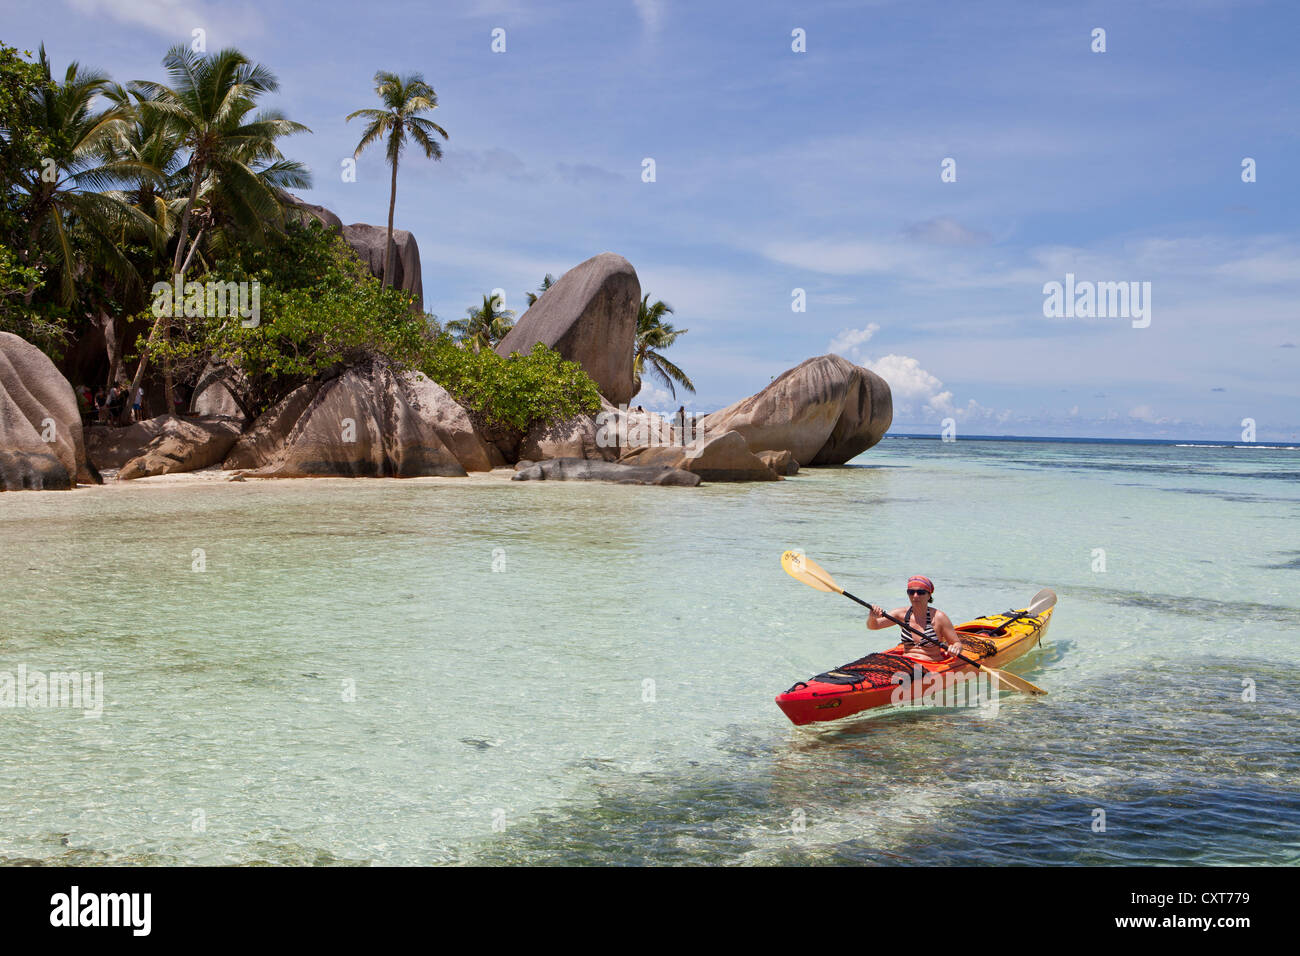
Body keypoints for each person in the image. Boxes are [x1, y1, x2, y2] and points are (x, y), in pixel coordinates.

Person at [866, 575, 963, 662]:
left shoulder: (939, 617)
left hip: (931, 664)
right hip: (906, 664)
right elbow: (874, 626)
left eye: (920, 592)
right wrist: (872, 617)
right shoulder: (901, 614)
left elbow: (956, 643)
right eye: (911, 592)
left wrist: (955, 648)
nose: (915, 596)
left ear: (929, 595)